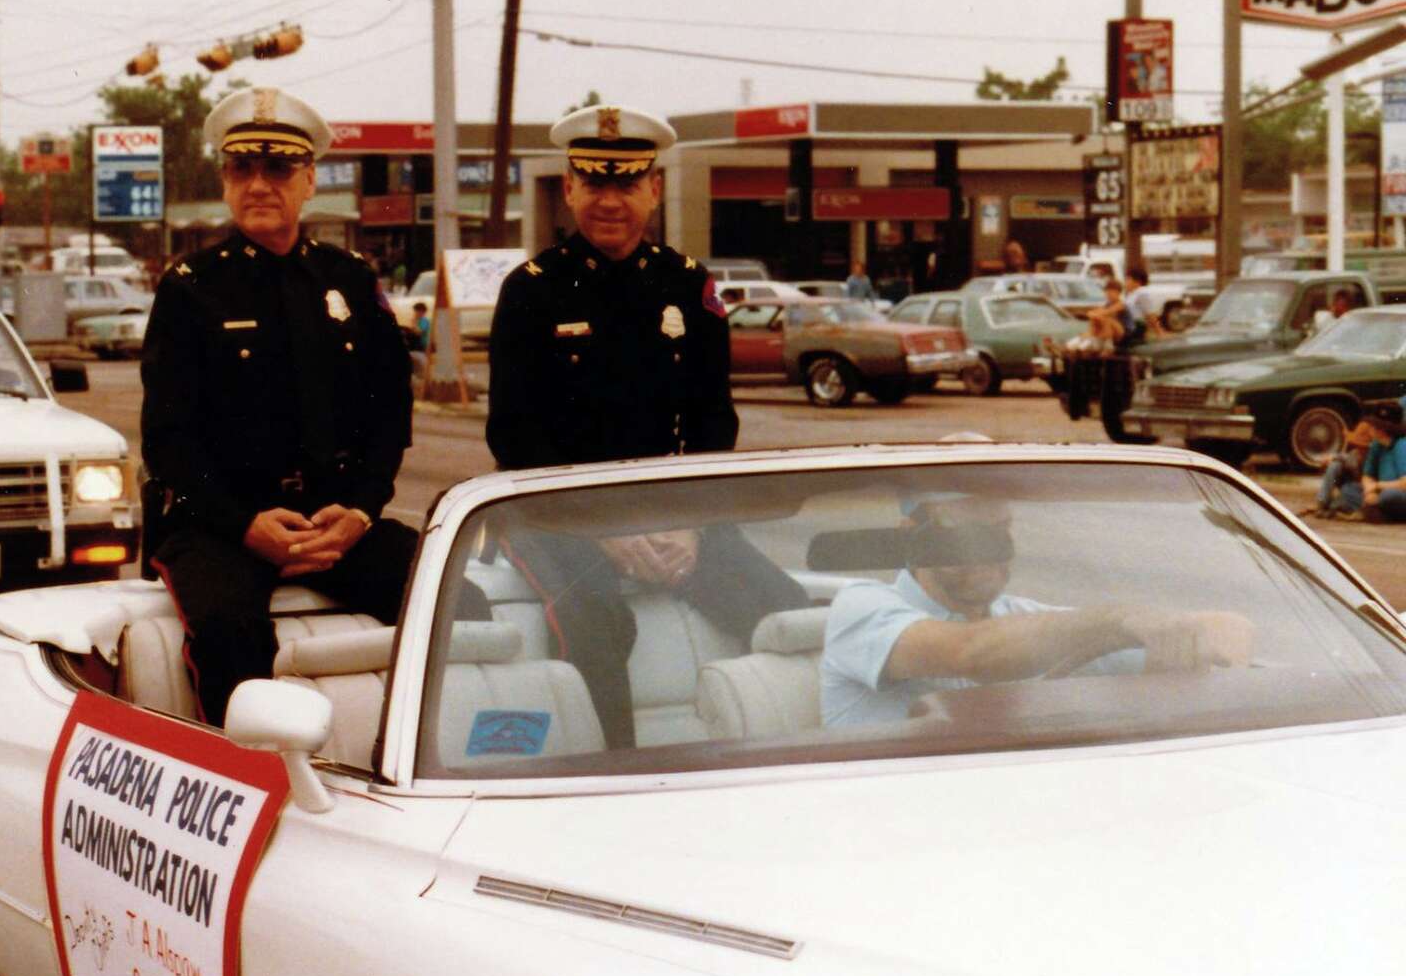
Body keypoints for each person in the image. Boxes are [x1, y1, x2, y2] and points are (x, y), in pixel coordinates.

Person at [487, 104, 808, 747]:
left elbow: (713, 420)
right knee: (595, 617)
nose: (611, 200)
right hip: (554, 513)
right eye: (596, 183)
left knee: (787, 611)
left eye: (627, 184)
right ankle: (614, 769)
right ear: (571, 187)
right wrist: (604, 531)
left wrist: (691, 520)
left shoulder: (687, 286)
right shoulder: (531, 290)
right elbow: (513, 434)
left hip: (671, 511)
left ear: (654, 190)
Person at [139, 88, 419, 726]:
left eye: (278, 168)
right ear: (225, 181)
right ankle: (245, 790)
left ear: (310, 180)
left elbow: (389, 411)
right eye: (243, 168)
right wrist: (244, 525)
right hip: (221, 527)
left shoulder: (348, 278)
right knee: (230, 635)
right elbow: (168, 439)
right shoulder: (191, 289)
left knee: (451, 599)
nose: (259, 184)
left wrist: (360, 508)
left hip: (332, 521)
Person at [822, 494, 1256, 727]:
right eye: (959, 534)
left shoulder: (1027, 616)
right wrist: (1115, 621)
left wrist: (1172, 645)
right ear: (909, 536)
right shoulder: (861, 607)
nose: (987, 553)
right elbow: (972, 654)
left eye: (999, 533)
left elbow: (1232, 629)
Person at [1358, 402, 1406, 523]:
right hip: (1378, 492)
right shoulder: (1376, 445)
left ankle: (1376, 511)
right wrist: (1369, 491)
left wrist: (1377, 486)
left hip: (1397, 493)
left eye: (1374, 425)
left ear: (1383, 429)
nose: (1370, 428)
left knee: (1389, 496)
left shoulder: (1401, 445)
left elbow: (1404, 483)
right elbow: (1367, 475)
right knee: (1349, 490)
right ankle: (1378, 512)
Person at [1123, 265, 1169, 338]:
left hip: (1135, 326)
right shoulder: (1131, 294)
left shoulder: (1141, 293)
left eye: (1128, 279)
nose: (1125, 282)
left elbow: (1149, 314)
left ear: (1137, 281)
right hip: (1128, 323)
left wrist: (1159, 332)